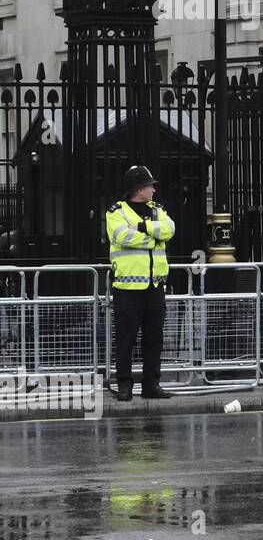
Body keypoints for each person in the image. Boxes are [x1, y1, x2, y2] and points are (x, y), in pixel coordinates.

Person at [106, 165, 175, 401]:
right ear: (139, 189)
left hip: (154, 286)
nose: (154, 190)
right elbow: (121, 236)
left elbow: (169, 229)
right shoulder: (117, 211)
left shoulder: (157, 209)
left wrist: (143, 227)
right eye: (150, 186)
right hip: (128, 288)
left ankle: (151, 384)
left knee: (154, 338)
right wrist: (153, 240)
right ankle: (124, 385)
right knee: (126, 338)